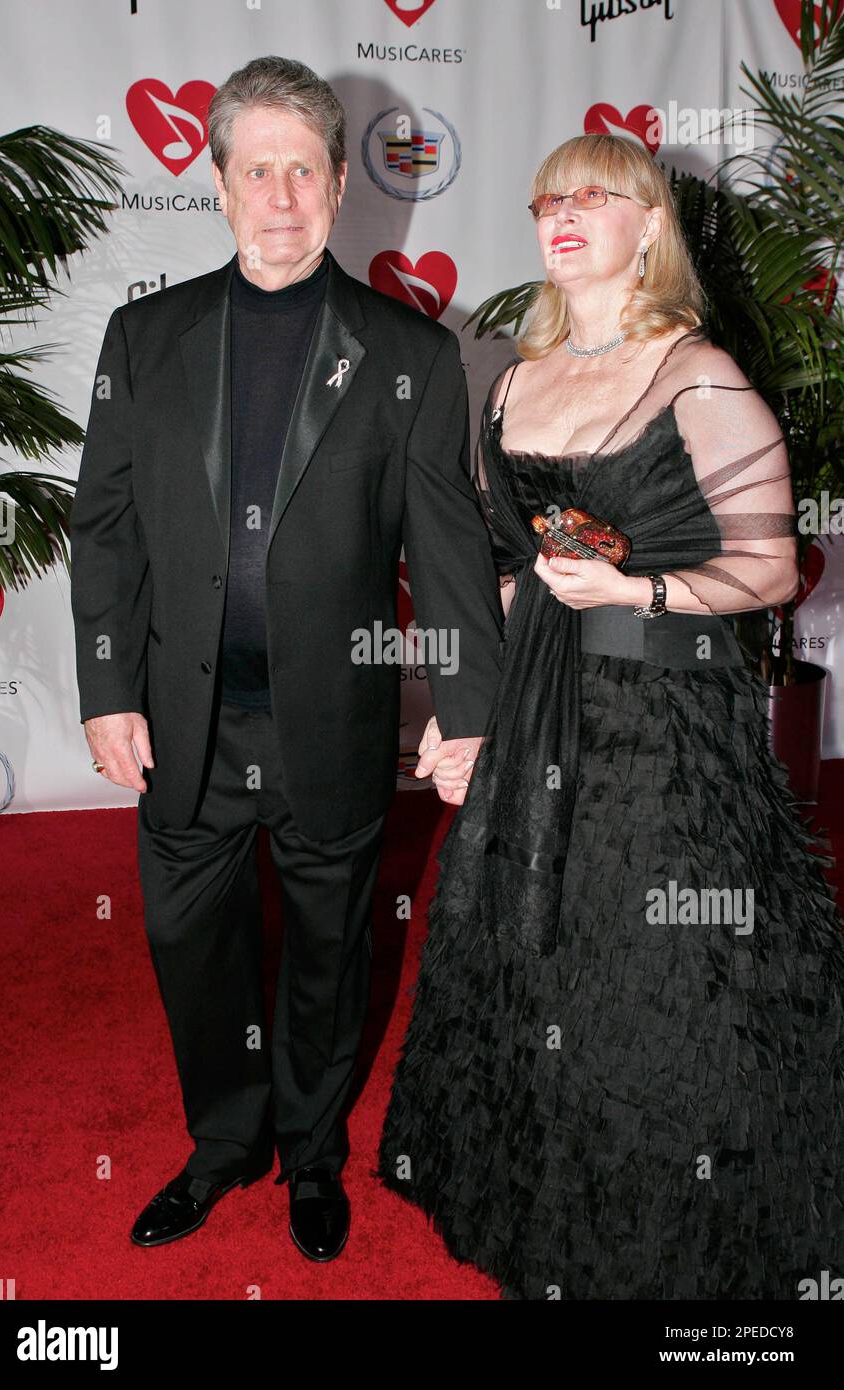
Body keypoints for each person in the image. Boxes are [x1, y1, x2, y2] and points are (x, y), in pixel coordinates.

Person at [377, 133, 844, 1299]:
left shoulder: (699, 375)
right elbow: (496, 573)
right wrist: (460, 711)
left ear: (649, 230)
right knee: (532, 948)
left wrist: (642, 588)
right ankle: (542, 1205)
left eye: (600, 194)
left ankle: (676, 1230)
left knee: (661, 963)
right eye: (550, 197)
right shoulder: (516, 378)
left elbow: (774, 568)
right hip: (537, 696)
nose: (567, 212)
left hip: (664, 711)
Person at [70, 55, 502, 1261]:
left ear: (335, 184)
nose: (278, 193)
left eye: (300, 168)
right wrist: (107, 689)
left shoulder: (408, 356)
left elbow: (450, 547)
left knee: (327, 950)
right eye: (253, 168)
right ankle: (223, 1147)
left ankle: (314, 1152)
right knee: (188, 947)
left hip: (330, 717)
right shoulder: (141, 337)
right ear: (216, 186)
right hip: (181, 718)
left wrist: (466, 706)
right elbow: (103, 523)